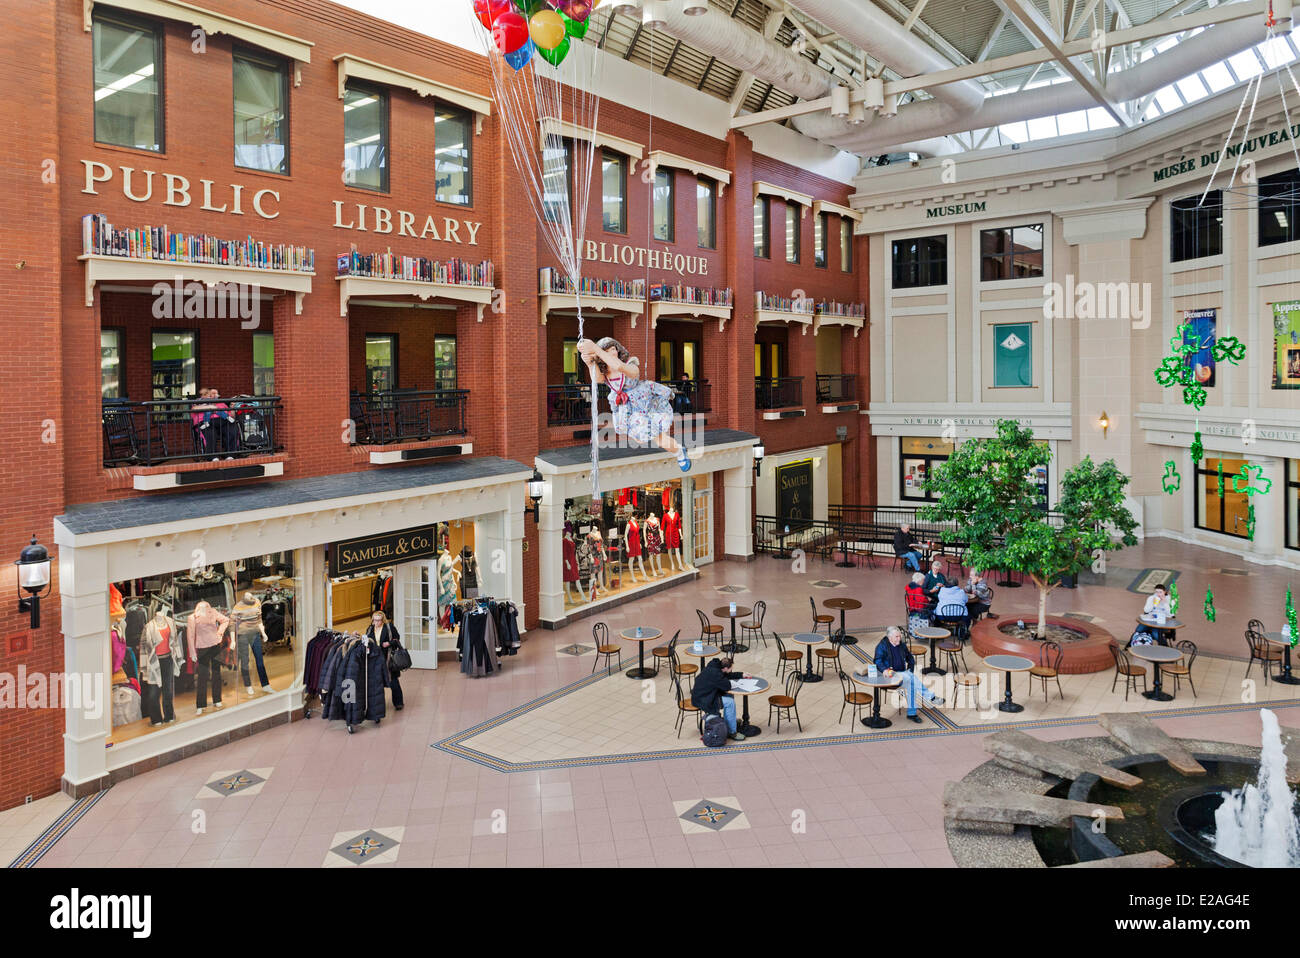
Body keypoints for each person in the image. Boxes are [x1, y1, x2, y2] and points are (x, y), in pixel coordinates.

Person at [578, 337, 691, 471]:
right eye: (607, 350)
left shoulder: (630, 365)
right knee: (639, 439)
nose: (612, 352)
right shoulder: (605, 372)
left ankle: (679, 453)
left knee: (659, 439)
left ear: (618, 350)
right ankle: (678, 451)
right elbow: (597, 378)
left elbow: (618, 366)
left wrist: (595, 349)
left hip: (645, 405)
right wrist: (590, 362)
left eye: (613, 349)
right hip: (627, 408)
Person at [870, 626, 943, 723]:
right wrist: (884, 670)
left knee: (911, 684)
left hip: (903, 675)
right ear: (889, 637)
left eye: (899, 636)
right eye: (896, 637)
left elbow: (910, 658)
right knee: (911, 679)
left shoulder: (901, 645)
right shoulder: (882, 646)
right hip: (889, 676)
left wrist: (910, 670)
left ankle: (912, 714)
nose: (899, 638)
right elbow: (877, 661)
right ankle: (931, 697)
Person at [690, 656, 750, 742]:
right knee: (730, 702)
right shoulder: (716, 674)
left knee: (729, 696)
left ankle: (730, 721)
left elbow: (726, 675)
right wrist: (727, 679)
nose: (731, 670)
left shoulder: (715, 666)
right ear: (725, 668)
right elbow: (727, 686)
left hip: (704, 694)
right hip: (704, 699)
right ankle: (732, 732)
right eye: (731, 668)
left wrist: (741, 674)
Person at [366, 611, 405, 710]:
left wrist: (389, 643)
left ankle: (398, 702)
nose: (376, 622)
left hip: (388, 658)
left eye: (378, 620)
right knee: (377, 682)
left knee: (393, 681)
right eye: (374, 620)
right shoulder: (370, 629)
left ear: (382, 620)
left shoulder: (389, 627)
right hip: (375, 659)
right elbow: (366, 641)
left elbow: (397, 640)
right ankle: (377, 704)